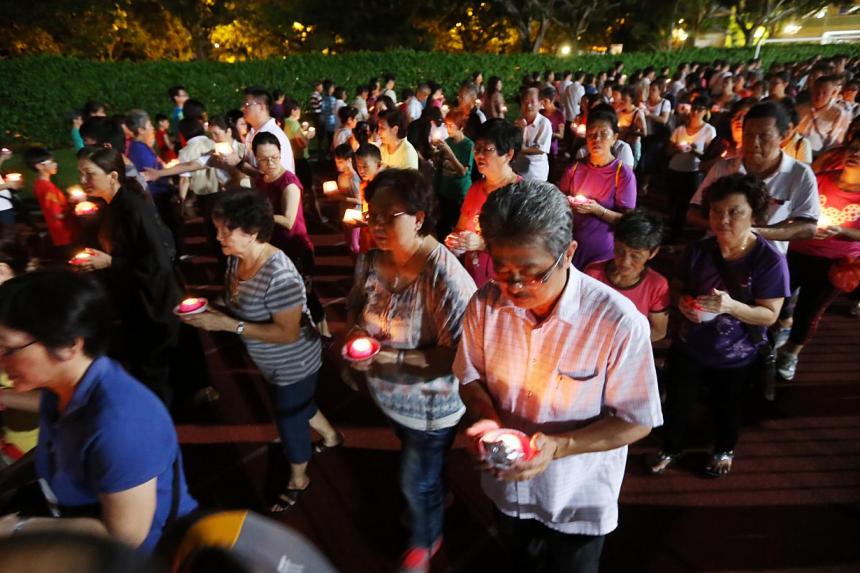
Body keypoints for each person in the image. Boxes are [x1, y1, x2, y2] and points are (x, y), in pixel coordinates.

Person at [454, 180, 662, 573]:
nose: (513, 287)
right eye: (502, 270)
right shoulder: (484, 304)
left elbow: (637, 421)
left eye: (531, 273)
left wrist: (559, 446)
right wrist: (487, 418)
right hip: (506, 487)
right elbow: (469, 376)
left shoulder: (618, 323)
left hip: (576, 496)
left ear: (568, 254)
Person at [0, 271, 197, 551]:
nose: (1, 360)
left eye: (8, 348)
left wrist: (18, 529)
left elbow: (125, 537)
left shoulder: (120, 423)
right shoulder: (57, 391)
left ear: (69, 345)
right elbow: (54, 453)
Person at [344, 169, 476, 573]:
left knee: (413, 480)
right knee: (419, 466)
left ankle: (425, 538)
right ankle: (438, 490)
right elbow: (354, 310)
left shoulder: (445, 277)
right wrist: (352, 343)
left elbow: (458, 356)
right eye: (372, 214)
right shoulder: (369, 260)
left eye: (389, 215)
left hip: (431, 407)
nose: (377, 224)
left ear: (419, 217)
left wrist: (387, 360)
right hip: (388, 396)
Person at [182, 190, 341, 512]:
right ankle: (332, 436)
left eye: (226, 230)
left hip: (294, 360)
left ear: (253, 233)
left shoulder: (278, 274)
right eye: (217, 228)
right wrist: (207, 308)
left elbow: (286, 332)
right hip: (269, 359)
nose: (218, 236)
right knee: (298, 403)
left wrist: (228, 326)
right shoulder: (236, 259)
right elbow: (234, 299)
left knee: (288, 419)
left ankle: (299, 479)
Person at [651, 174, 789, 477]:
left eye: (734, 212)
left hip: (736, 357)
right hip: (689, 346)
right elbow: (676, 286)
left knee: (728, 408)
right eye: (715, 211)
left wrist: (731, 307)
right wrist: (682, 301)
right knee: (677, 403)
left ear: (754, 213)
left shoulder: (769, 261)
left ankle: (724, 449)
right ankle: (670, 448)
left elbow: (770, 315)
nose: (722, 220)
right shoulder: (699, 250)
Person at [75, 147, 180, 405]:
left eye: (89, 174)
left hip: (153, 302)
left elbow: (158, 263)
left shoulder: (133, 208)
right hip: (132, 297)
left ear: (112, 175)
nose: (83, 181)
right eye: (81, 174)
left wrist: (110, 262)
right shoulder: (113, 205)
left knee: (153, 368)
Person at [776, 134, 860, 380]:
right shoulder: (819, 180)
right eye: (853, 149)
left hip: (835, 264)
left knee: (810, 311)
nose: (855, 154)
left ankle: (791, 352)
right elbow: (791, 207)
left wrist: (843, 231)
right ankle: (782, 325)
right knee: (777, 297)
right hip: (797, 252)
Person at [688, 101, 819, 256]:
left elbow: (808, 227)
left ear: (784, 135)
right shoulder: (723, 168)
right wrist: (724, 227)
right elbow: (693, 212)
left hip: (765, 258)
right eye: (748, 135)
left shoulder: (800, 174)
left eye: (764, 136)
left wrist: (752, 232)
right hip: (718, 252)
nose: (754, 143)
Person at [445, 118, 522, 287]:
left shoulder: (521, 194)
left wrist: (482, 244)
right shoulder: (475, 189)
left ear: (508, 154)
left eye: (487, 149)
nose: (479, 155)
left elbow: (523, 248)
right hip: (471, 279)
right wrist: (455, 242)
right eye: (477, 148)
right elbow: (461, 227)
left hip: (504, 285)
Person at [558, 105, 636, 270]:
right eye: (592, 134)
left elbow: (628, 221)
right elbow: (558, 200)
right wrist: (568, 202)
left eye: (603, 134)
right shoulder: (575, 168)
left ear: (615, 137)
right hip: (569, 245)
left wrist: (597, 209)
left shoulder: (622, 174)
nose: (597, 139)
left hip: (602, 253)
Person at [585, 210, 669, 342]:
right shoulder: (593, 273)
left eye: (635, 256)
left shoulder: (656, 285)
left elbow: (659, 331)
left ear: (653, 253)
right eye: (619, 251)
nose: (625, 262)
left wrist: (621, 344)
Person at [124, 109, 183, 259]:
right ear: (140, 130)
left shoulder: (141, 147)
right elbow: (150, 177)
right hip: (157, 197)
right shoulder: (139, 150)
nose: (153, 129)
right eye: (149, 125)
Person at [666, 96, 716, 240]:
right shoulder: (680, 129)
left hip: (692, 172)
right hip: (674, 169)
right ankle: (672, 228)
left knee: (685, 204)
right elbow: (667, 152)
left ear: (706, 112)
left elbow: (709, 157)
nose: (695, 112)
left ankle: (678, 233)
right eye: (694, 108)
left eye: (700, 109)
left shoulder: (709, 131)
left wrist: (694, 150)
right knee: (672, 201)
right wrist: (677, 149)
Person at [222, 88, 295, 177]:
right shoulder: (252, 133)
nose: (242, 108)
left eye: (247, 104)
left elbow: (272, 177)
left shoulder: (272, 135)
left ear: (261, 107)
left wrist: (239, 163)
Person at [23, 147, 78, 257]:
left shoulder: (40, 184)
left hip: (60, 233)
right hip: (65, 233)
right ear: (39, 166)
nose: (55, 164)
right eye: (51, 162)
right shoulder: (47, 188)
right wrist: (74, 206)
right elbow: (58, 215)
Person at [432, 108, 473, 239]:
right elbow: (440, 166)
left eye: (451, 126)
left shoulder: (468, 145)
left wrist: (449, 153)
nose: (448, 129)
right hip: (444, 192)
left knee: (457, 228)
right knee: (441, 227)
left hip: (458, 194)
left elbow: (462, 171)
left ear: (460, 127)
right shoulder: (448, 142)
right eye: (446, 125)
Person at [797, 75, 853, 157]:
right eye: (817, 92)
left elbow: (836, 142)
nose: (819, 96)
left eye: (824, 93)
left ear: (833, 93)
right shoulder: (801, 108)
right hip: (795, 151)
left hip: (817, 156)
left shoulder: (839, 114)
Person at [512, 86, 552, 182]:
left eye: (532, 102)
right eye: (525, 102)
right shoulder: (519, 121)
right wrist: (520, 129)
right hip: (519, 169)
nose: (528, 105)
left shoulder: (544, 123)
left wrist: (523, 149)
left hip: (536, 173)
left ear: (540, 103)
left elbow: (541, 149)